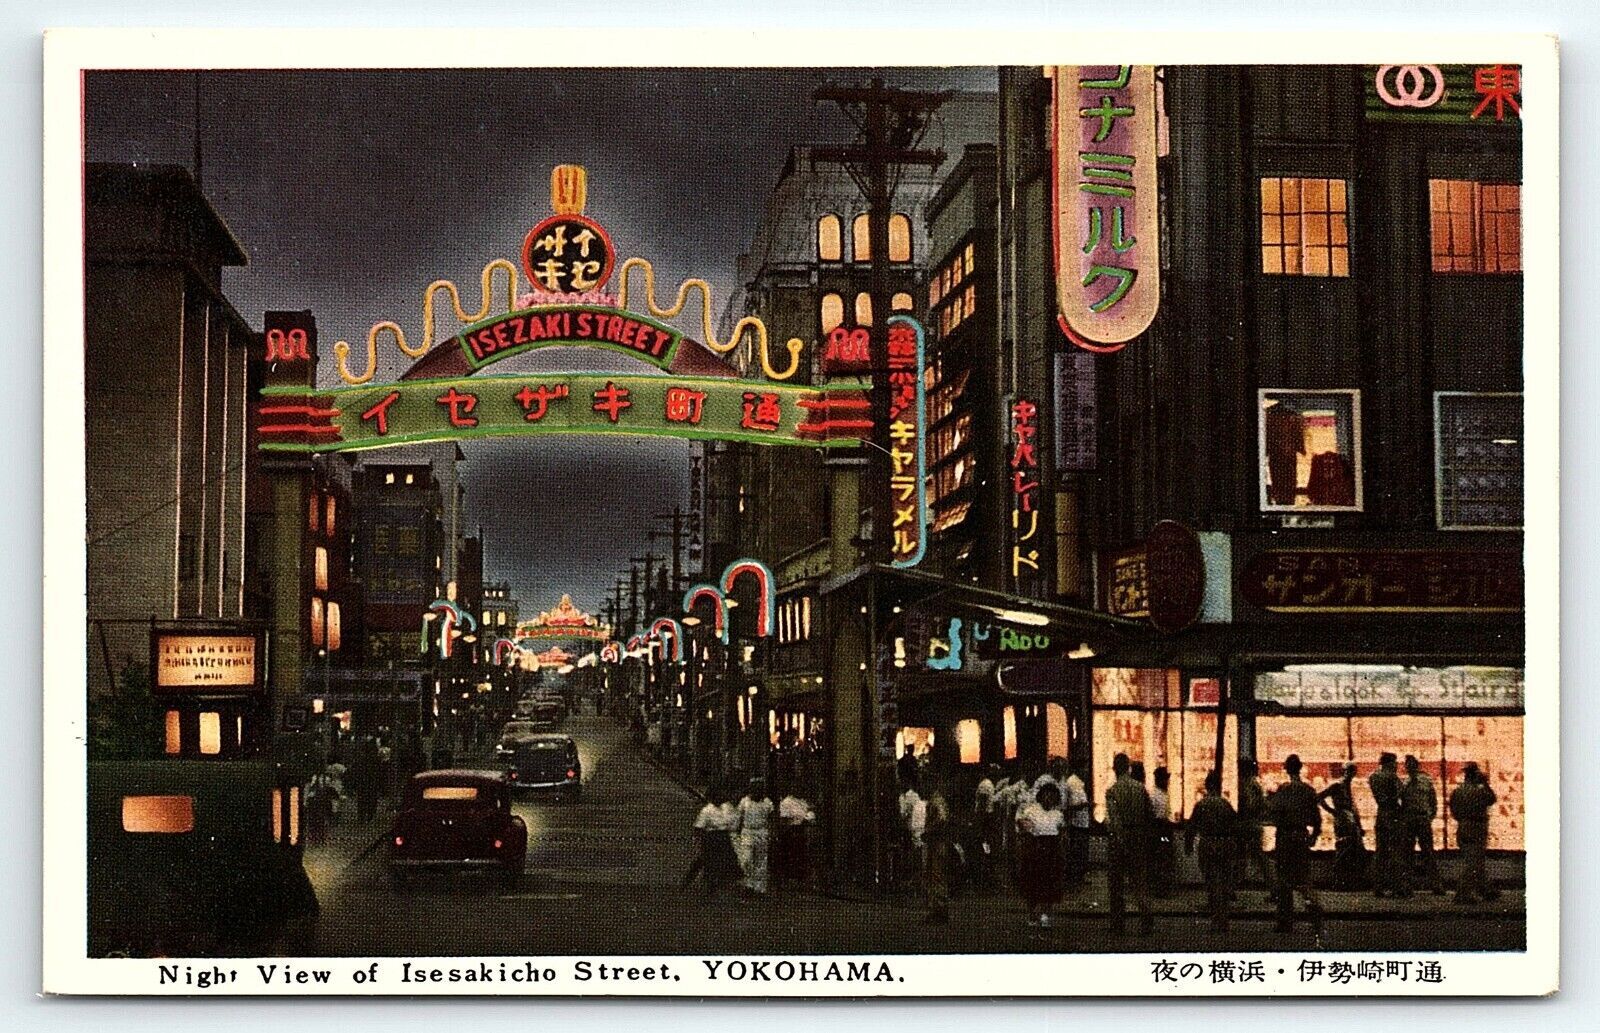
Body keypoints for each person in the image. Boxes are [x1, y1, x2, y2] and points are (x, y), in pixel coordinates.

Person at [1267, 754, 1324, 933]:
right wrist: (1314, 835)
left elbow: (1274, 814)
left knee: (1284, 879)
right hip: (1301, 836)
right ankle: (1314, 912)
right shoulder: (1308, 790)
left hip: (1285, 837)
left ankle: (1285, 921)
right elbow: (1317, 818)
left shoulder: (1283, 790)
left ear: (1286, 769)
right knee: (1304, 878)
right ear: (1300, 768)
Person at [1104, 753, 1155, 936]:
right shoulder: (1140, 788)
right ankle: (1146, 916)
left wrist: (1119, 839)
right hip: (1138, 836)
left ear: (1114, 768)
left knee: (1116, 884)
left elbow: (1114, 819)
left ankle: (1118, 924)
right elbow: (1150, 814)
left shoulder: (1112, 791)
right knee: (1139, 881)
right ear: (1129, 768)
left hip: (1120, 839)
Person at [1185, 770, 1239, 932]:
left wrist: (1188, 844)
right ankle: (1224, 920)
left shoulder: (1201, 804)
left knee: (1211, 882)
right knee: (1223, 881)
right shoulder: (1225, 804)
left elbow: (1192, 826)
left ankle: (1216, 919)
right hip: (1225, 843)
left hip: (1208, 844)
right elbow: (1235, 826)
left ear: (1207, 786)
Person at [1014, 781, 1066, 926]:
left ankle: (1045, 914)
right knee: (1033, 882)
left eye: (1052, 796)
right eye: (1046, 795)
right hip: (1035, 848)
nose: (1049, 798)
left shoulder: (1057, 814)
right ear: (1041, 796)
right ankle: (1032, 915)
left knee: (1050, 883)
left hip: (1052, 849)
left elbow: (1062, 833)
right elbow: (1023, 827)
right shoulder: (1032, 811)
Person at [1449, 763, 1500, 905]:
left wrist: (1462, 819)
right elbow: (1492, 799)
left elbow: (1453, 809)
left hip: (1463, 826)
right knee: (1474, 862)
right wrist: (1485, 783)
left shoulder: (1458, 791)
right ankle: (1462, 893)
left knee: (1473, 860)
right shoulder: (1479, 791)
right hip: (1476, 827)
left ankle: (1486, 889)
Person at [1318, 762, 1369, 890]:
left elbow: (1353, 809)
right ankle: (1339, 881)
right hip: (1343, 820)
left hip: (1349, 820)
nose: (1351, 774)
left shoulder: (1347, 786)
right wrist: (1332, 811)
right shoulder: (1338, 785)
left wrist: (1359, 825)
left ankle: (1349, 881)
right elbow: (1319, 797)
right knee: (1344, 850)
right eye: (1350, 771)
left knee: (1353, 851)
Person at [684, 785, 741, 894]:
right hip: (711, 837)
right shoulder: (707, 810)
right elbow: (698, 827)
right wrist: (698, 841)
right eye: (718, 797)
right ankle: (689, 881)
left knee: (726, 860)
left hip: (723, 836)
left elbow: (733, 820)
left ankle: (720, 884)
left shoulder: (727, 808)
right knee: (705, 860)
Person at [1368, 752, 1411, 898]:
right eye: (1395, 762)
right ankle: (1397, 887)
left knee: (1380, 852)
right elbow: (1401, 793)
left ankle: (1378, 886)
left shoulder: (1373, 777)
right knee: (1396, 852)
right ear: (1389, 763)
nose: (1397, 765)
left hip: (1381, 814)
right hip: (1393, 814)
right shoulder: (1392, 777)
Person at [1403, 755, 1447, 895]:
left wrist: (1430, 816)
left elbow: (1433, 800)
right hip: (1409, 819)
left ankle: (1436, 885)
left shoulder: (1426, 781)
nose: (1410, 768)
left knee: (1428, 852)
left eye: (1412, 765)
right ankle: (1407, 886)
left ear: (1417, 766)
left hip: (1422, 818)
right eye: (1407, 765)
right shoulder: (1404, 783)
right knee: (1408, 853)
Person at [1237, 758, 1273, 894]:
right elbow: (1263, 805)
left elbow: (1251, 805)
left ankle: (1235, 886)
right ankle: (1273, 888)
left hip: (1247, 824)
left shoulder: (1247, 784)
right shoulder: (1255, 784)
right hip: (1254, 824)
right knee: (1259, 858)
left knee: (1244, 856)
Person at [734, 778, 775, 895]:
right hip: (747, 832)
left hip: (761, 832)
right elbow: (739, 817)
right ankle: (749, 883)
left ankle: (759, 887)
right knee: (746, 859)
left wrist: (771, 832)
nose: (757, 790)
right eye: (754, 787)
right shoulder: (744, 801)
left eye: (759, 788)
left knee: (761, 860)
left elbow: (771, 818)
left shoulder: (767, 802)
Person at [921, 783, 954, 924]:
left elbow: (941, 819)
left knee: (936, 876)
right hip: (936, 842)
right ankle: (936, 909)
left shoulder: (936, 801)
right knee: (934, 876)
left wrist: (929, 831)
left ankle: (939, 910)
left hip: (937, 842)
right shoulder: (936, 801)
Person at [774, 786, 816, 888]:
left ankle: (799, 878)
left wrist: (809, 818)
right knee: (791, 855)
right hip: (791, 830)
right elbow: (784, 819)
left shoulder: (803, 801)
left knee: (801, 855)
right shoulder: (787, 802)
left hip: (802, 830)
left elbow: (809, 812)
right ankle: (788, 879)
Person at [1061, 759, 1092, 890]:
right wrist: (1085, 805)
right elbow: (1070, 805)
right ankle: (1074, 879)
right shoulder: (1072, 783)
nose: (1086, 771)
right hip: (1076, 823)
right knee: (1077, 852)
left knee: (1081, 852)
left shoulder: (1079, 783)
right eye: (1084, 768)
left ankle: (1079, 877)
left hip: (1083, 822)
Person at [1150, 766, 1175, 897]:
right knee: (1162, 856)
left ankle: (1164, 887)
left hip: (1164, 829)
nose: (1167, 781)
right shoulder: (1155, 795)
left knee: (1165, 857)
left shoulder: (1164, 794)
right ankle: (1161, 888)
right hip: (1160, 831)